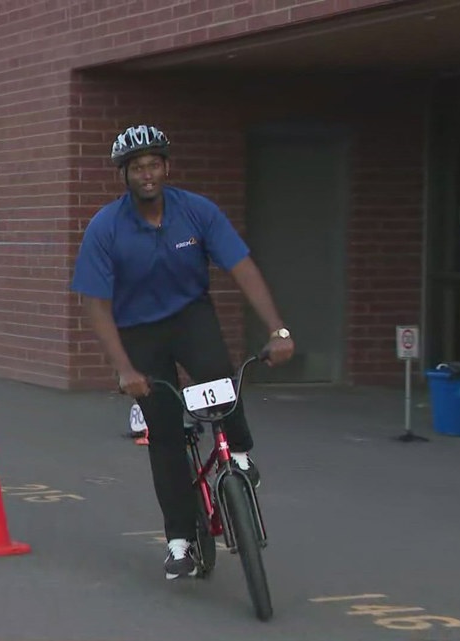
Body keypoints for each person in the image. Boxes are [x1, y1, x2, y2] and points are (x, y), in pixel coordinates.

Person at [70, 124, 295, 580]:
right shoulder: (105, 227)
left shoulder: (196, 211)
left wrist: (278, 329)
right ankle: (179, 540)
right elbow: (95, 304)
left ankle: (240, 454)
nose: (146, 174)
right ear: (124, 175)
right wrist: (124, 369)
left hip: (190, 316)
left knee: (220, 377)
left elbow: (242, 267)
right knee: (165, 434)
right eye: (137, 167)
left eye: (154, 164)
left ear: (167, 168)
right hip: (138, 332)